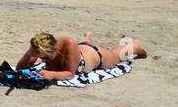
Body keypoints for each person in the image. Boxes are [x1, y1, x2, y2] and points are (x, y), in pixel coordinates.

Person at [16, 32, 147, 80]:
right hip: (81, 50)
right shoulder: (39, 49)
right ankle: (87, 37)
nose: (42, 60)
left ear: (55, 49)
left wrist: (52, 74)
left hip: (95, 56)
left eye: (45, 58)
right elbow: (19, 68)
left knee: (117, 55)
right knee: (83, 44)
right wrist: (29, 54)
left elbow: (69, 74)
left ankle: (135, 45)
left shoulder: (68, 43)